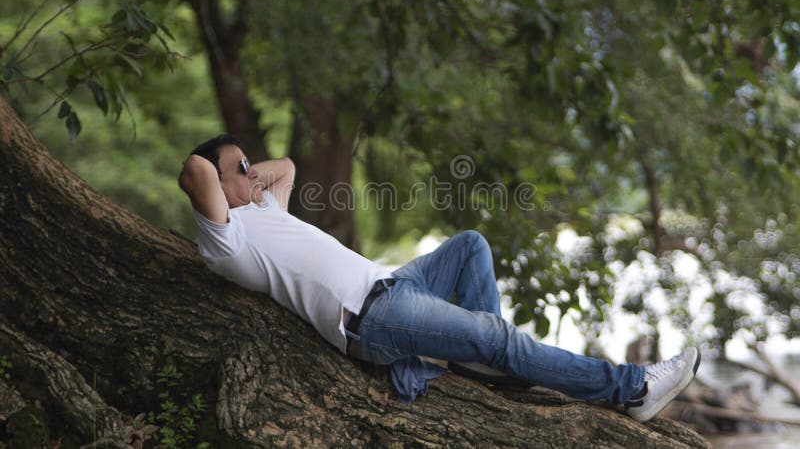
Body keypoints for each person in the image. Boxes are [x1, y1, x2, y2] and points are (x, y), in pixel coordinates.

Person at [178, 134, 700, 422]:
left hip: (392, 285)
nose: (252, 172)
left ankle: (482, 361)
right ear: (216, 185)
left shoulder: (263, 209)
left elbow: (288, 167)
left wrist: (246, 171)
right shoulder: (228, 243)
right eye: (239, 168)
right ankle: (630, 389)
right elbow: (195, 170)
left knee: (469, 245)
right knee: (496, 336)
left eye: (249, 165)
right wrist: (226, 171)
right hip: (371, 318)